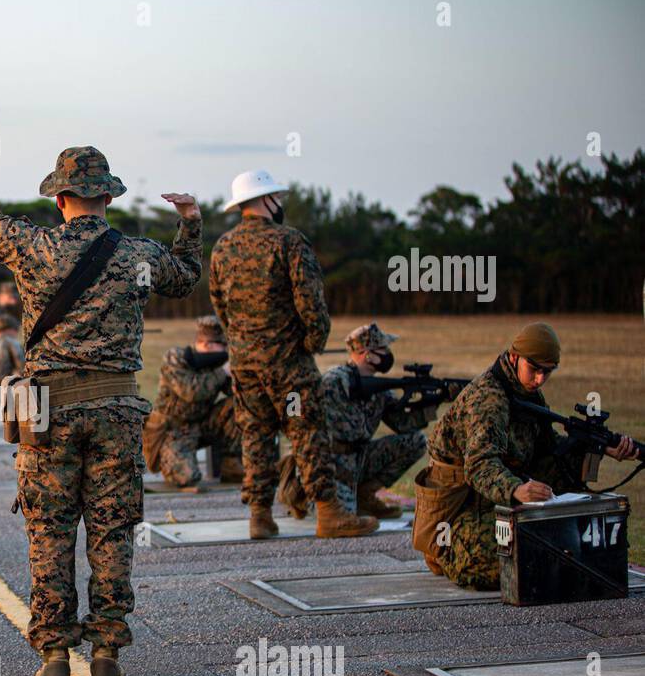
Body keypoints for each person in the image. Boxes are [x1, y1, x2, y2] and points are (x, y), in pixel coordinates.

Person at [0, 112, 201, 676]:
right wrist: (190, 223)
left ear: (60, 199)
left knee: (49, 532)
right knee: (112, 531)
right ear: (108, 200)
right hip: (117, 410)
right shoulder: (138, 255)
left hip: (48, 411)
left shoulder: (34, 246)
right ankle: (105, 656)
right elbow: (185, 277)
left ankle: (53, 656)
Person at [209, 169, 377, 540]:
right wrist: (312, 344)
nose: (280, 204)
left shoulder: (222, 247)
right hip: (289, 367)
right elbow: (312, 304)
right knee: (307, 434)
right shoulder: (289, 242)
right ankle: (330, 513)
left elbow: (219, 305)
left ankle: (260, 515)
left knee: (255, 436)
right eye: (277, 198)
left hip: (245, 364)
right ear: (267, 200)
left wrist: (241, 341)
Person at [414, 322, 633, 589]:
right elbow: (479, 466)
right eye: (535, 369)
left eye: (547, 372)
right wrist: (517, 489)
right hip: (458, 506)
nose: (540, 379)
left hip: (490, 498)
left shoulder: (527, 393)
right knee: (510, 561)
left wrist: (598, 449)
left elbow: (549, 449)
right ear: (514, 357)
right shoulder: (489, 399)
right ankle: (443, 552)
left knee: (545, 548)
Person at [289, 322, 438, 519]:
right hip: (331, 463)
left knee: (416, 441)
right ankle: (301, 493)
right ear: (368, 354)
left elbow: (403, 425)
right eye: (383, 349)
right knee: (341, 517)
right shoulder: (334, 382)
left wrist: (432, 402)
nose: (387, 354)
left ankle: (364, 495)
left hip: (359, 458)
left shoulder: (380, 390)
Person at [144, 315, 243, 489]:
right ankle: (172, 462)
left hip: (201, 425)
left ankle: (231, 465)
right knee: (188, 478)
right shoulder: (175, 358)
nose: (224, 353)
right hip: (172, 431)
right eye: (222, 348)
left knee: (238, 405)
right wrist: (223, 372)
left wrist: (239, 370)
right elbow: (191, 392)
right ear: (208, 345)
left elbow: (234, 391)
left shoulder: (216, 366)